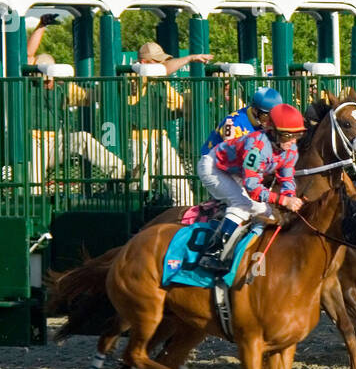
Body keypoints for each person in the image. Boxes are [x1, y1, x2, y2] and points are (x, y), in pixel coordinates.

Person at [195, 103, 307, 272]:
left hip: (237, 172)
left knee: (266, 212)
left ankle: (252, 257)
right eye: (288, 135)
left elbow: (286, 179)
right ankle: (212, 253)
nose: (293, 141)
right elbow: (253, 188)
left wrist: (290, 196)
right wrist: (283, 200)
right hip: (213, 167)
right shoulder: (257, 146)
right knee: (243, 204)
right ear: (273, 132)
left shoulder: (291, 150)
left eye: (298, 135)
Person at [26, 50, 129, 186]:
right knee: (34, 182)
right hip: (32, 143)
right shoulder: (24, 86)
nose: (48, 84)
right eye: (45, 80)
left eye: (50, 80)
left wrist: (114, 88)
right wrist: (41, 28)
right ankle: (35, 199)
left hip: (55, 142)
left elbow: (88, 96)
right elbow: (27, 54)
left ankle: (121, 173)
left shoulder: (63, 88)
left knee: (83, 138)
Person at [128, 42, 200, 206]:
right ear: (145, 63)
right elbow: (166, 69)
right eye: (158, 61)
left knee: (182, 191)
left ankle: (181, 226)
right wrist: (190, 58)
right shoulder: (133, 77)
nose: (162, 65)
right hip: (140, 141)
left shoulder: (160, 83)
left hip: (161, 139)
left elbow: (180, 104)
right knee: (140, 192)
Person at [200, 85, 283, 156]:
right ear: (255, 110)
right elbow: (230, 153)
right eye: (266, 116)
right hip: (213, 163)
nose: (270, 121)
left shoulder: (263, 120)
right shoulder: (234, 124)